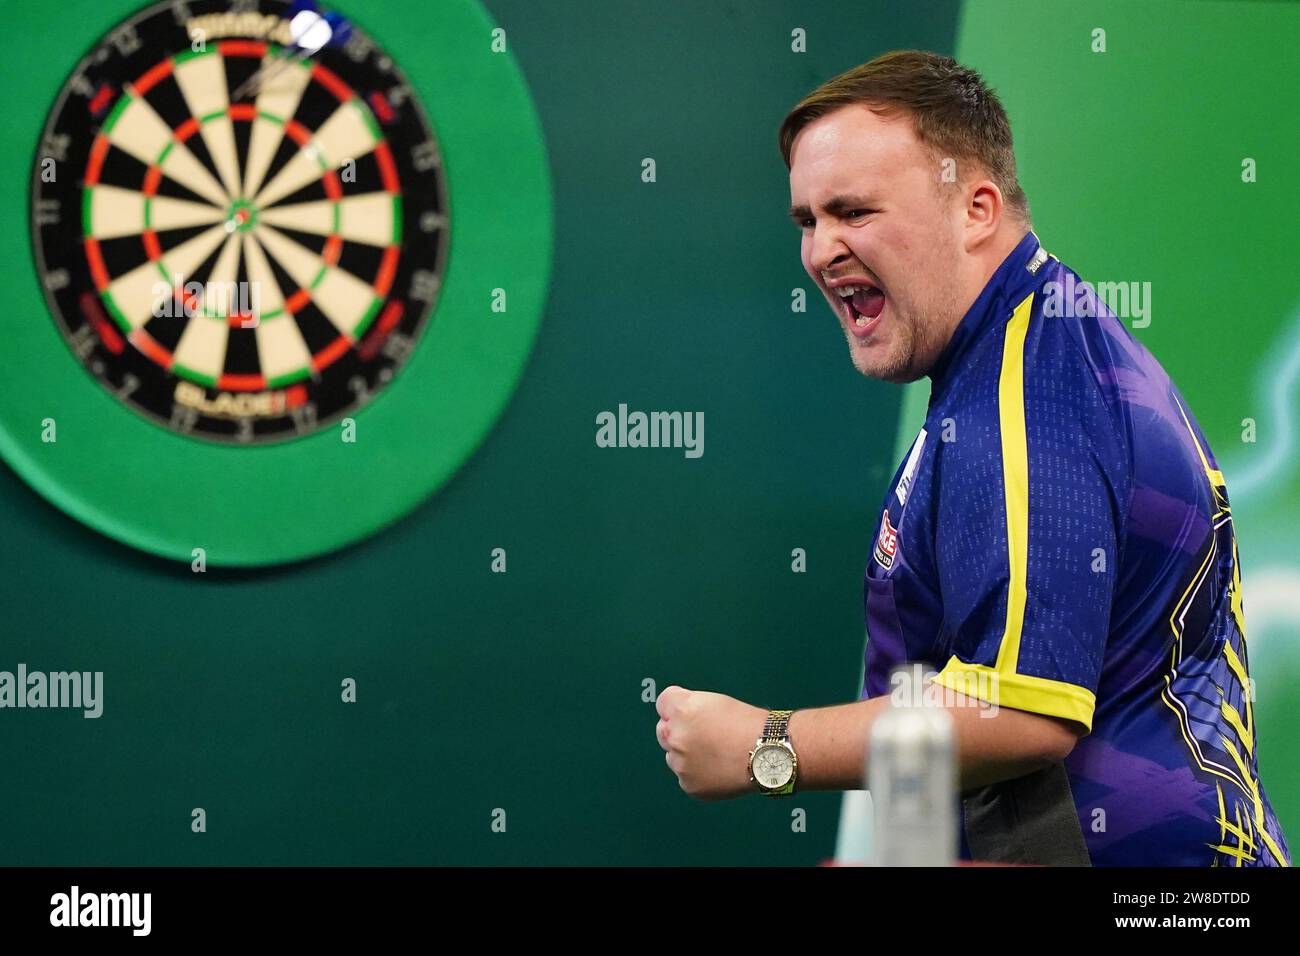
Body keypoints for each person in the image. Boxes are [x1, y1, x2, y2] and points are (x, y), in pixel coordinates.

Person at [655, 50, 1290, 867]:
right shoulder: (1008, 361)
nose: (822, 250)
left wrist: (765, 747)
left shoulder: (1028, 399)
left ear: (977, 209)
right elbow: (943, 684)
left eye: (854, 211)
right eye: (809, 221)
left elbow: (1022, 714)